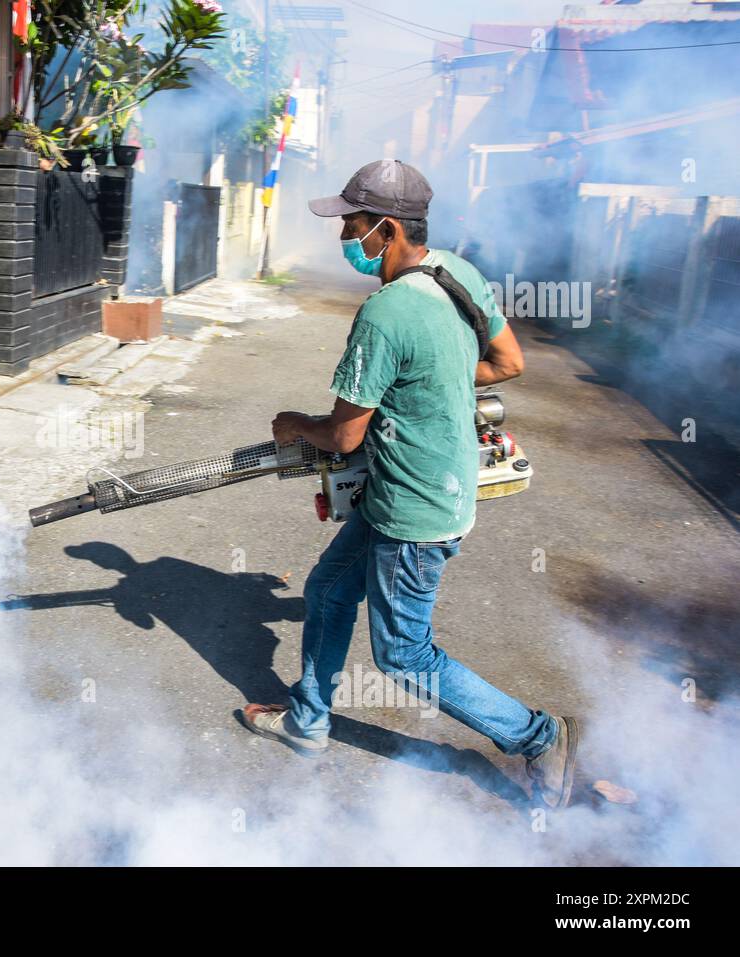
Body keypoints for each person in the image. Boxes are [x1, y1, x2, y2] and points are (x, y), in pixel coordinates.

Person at [238, 159, 579, 809]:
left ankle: (537, 736)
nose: (345, 238)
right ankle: (308, 720)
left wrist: (291, 424)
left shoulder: (385, 314)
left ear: (387, 229)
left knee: (403, 655)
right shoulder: (459, 273)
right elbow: (508, 360)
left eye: (353, 225)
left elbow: (342, 435)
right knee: (330, 589)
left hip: (414, 510)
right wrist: (433, 383)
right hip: (421, 485)